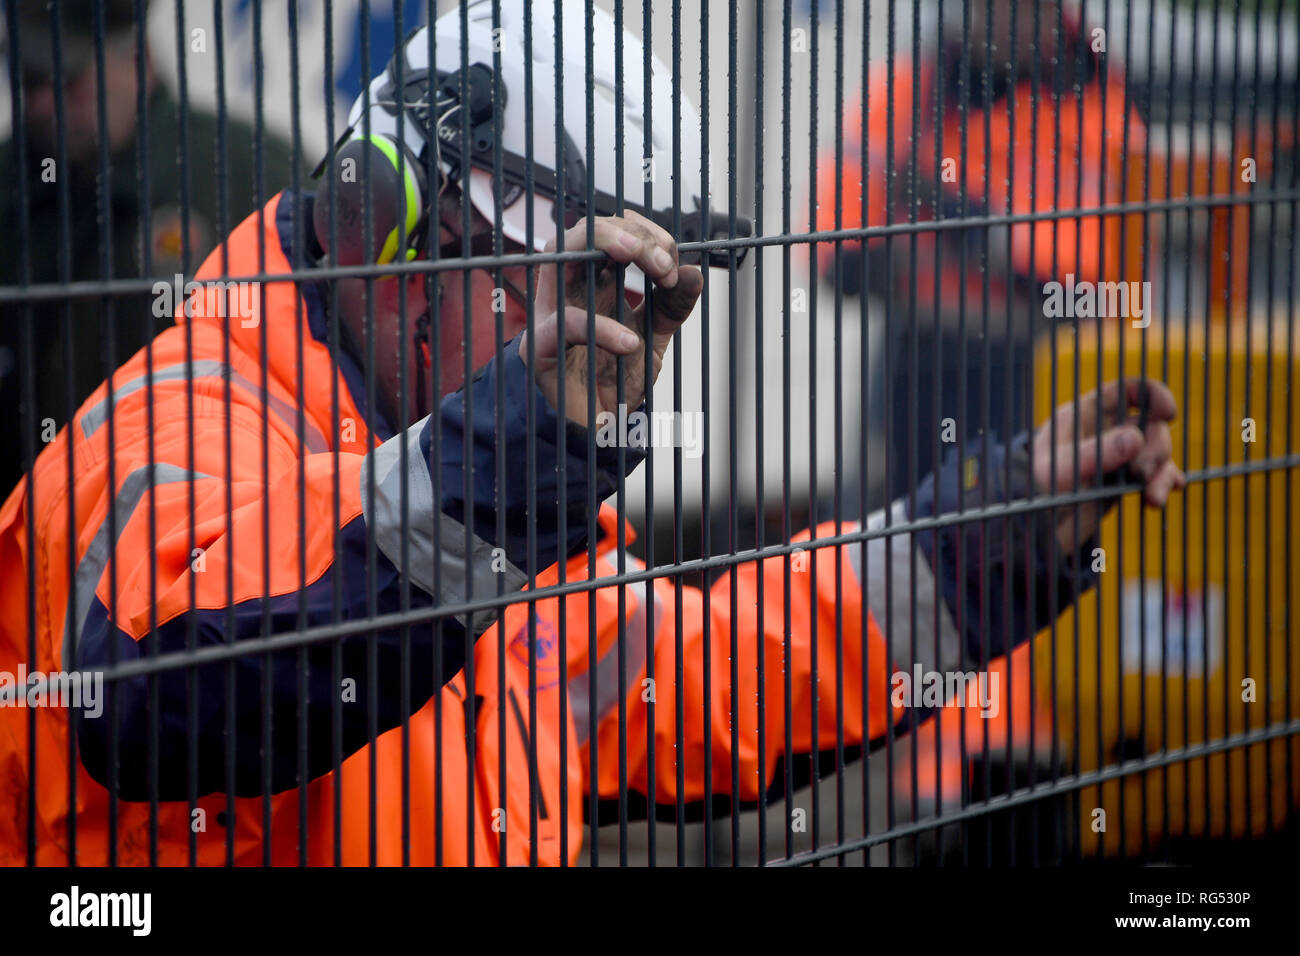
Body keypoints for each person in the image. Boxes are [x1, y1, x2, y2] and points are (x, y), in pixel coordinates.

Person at [0, 0, 1185, 866]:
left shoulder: (483, 488)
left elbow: (721, 672)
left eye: (624, 305)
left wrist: (1007, 523)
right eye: (576, 291)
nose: (608, 344)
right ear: (406, 229)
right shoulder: (182, 421)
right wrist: (509, 470)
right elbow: (167, 690)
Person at [0, 0, 300, 497]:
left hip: (191, 520)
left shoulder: (242, 174)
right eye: (29, 82)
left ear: (138, 61)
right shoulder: (12, 182)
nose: (41, 105)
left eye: (64, 81)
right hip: (26, 527)